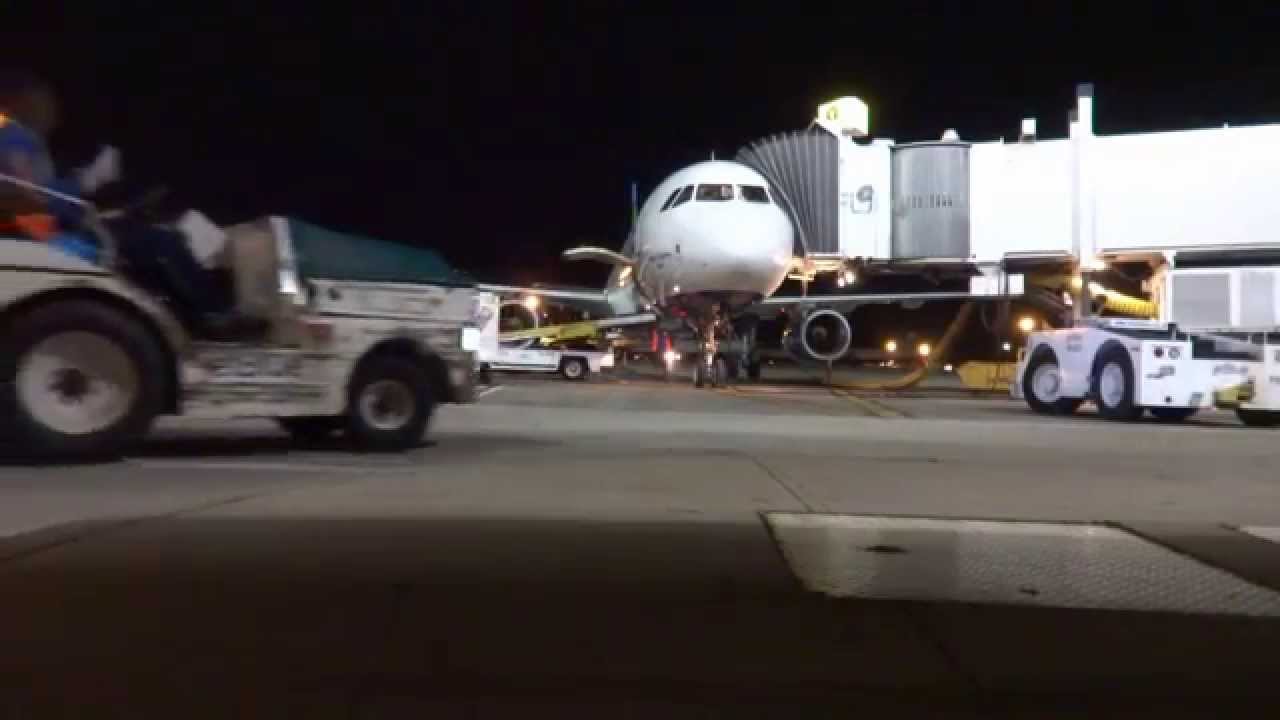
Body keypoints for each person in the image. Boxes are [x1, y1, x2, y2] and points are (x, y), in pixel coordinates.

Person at [0, 70, 263, 339]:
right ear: (22, 101)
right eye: (45, 101)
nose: (53, 111)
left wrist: (100, 205)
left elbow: (38, 196)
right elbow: (31, 195)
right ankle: (214, 315)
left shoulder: (19, 136)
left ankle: (192, 317)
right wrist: (87, 180)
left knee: (153, 237)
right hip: (50, 235)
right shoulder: (13, 134)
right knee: (163, 242)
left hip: (55, 227)